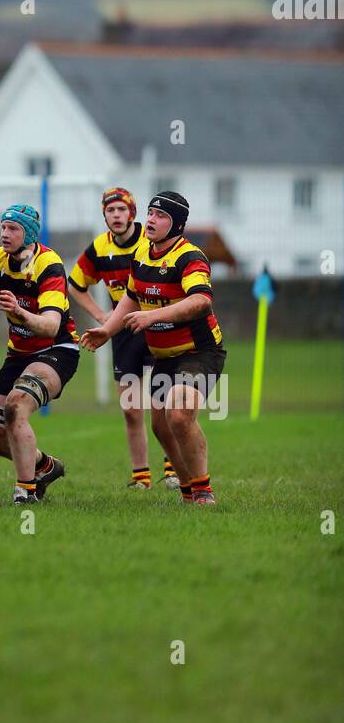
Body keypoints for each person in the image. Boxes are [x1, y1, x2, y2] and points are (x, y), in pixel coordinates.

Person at [80, 192, 226, 507]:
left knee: (178, 414)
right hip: (165, 356)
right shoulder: (144, 253)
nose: (151, 220)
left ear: (177, 225)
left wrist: (153, 316)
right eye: (150, 213)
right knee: (160, 425)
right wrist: (107, 330)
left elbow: (201, 300)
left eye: (160, 216)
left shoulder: (190, 257)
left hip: (199, 351)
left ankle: (203, 489)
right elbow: (131, 297)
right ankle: (188, 487)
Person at [69, 187, 179, 490]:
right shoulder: (99, 248)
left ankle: (173, 468)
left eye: (122, 209)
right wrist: (103, 316)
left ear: (132, 213)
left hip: (157, 324)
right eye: (110, 210)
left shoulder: (151, 240)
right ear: (104, 215)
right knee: (131, 408)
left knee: (165, 403)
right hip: (124, 330)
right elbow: (75, 285)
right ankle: (141, 476)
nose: (116, 215)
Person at [0, 206, 77, 504]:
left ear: (29, 233)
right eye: (3, 227)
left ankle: (26, 492)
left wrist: (20, 312)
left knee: (16, 406)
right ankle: (45, 466)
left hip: (57, 350)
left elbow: (50, 325)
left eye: (13, 229)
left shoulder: (49, 265)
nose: (5, 234)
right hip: (17, 354)